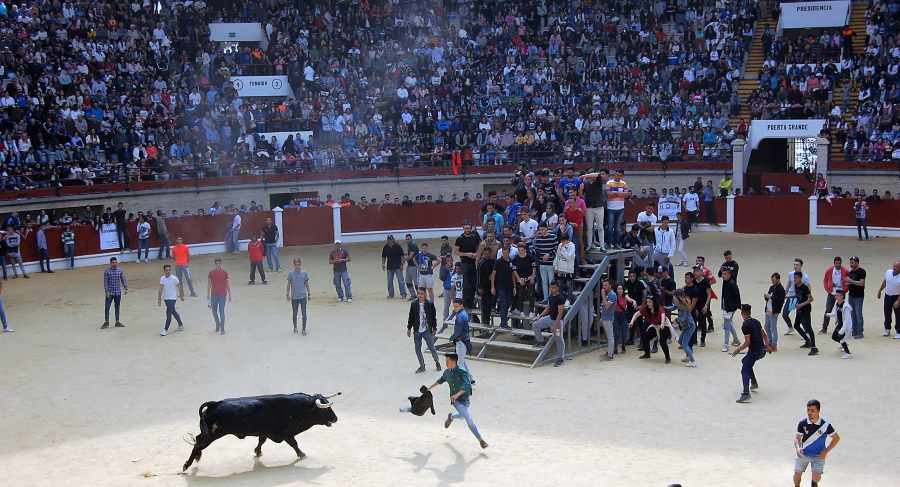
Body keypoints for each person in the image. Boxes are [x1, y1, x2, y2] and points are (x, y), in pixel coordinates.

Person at [426, 353, 488, 449]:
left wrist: (457, 394)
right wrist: (429, 388)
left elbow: (466, 385)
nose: (446, 363)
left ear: (454, 361)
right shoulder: (447, 372)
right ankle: (481, 440)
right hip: (455, 400)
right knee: (468, 418)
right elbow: (440, 380)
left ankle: (451, 417)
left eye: (448, 361)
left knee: (463, 416)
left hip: (464, 399)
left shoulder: (462, 371)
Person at [794, 399, 841, 487]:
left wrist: (825, 451)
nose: (809, 413)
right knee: (797, 474)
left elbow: (836, 438)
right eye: (808, 410)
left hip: (818, 456)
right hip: (803, 453)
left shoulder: (825, 425)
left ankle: (814, 483)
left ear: (818, 411)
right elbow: (797, 438)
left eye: (812, 411)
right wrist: (798, 448)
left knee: (816, 478)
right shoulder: (802, 423)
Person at [732, 304, 772, 403]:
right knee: (745, 361)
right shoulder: (756, 321)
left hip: (754, 352)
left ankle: (746, 394)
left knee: (744, 369)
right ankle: (754, 383)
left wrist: (737, 350)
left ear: (742, 314)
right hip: (762, 351)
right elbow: (765, 335)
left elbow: (747, 342)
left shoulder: (745, 325)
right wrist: (767, 346)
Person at [532, 281, 567, 367]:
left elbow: (560, 313)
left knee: (559, 339)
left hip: (558, 321)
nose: (551, 289)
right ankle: (541, 341)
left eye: (553, 287)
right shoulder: (551, 296)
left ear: (557, 288)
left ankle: (560, 358)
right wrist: (540, 316)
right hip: (550, 318)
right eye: (550, 287)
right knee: (535, 325)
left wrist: (555, 325)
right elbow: (548, 308)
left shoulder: (560, 298)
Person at [631, 296, 673, 363]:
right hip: (655, 326)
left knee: (662, 341)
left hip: (664, 326)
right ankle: (647, 354)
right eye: (647, 302)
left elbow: (663, 315)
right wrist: (632, 322)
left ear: (654, 302)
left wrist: (662, 323)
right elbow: (637, 314)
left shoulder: (659, 308)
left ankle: (668, 358)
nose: (648, 303)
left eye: (650, 302)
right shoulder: (646, 308)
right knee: (645, 337)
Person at [408, 288, 441, 373]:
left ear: (425, 295)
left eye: (422, 294)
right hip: (417, 331)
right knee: (417, 350)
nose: (420, 295)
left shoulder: (429, 304)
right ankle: (422, 366)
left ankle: (437, 362)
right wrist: (409, 328)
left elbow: (433, 317)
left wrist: (434, 328)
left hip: (427, 330)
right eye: (418, 293)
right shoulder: (414, 304)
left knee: (432, 348)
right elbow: (411, 316)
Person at [454, 223, 481, 309]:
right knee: (466, 284)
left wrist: (476, 254)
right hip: (465, 263)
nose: (467, 230)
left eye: (469, 228)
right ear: (463, 228)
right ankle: (466, 303)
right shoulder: (459, 239)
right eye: (466, 228)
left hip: (474, 262)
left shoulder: (475, 237)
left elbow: (480, 247)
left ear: (471, 228)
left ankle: (472, 303)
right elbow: (456, 252)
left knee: (474, 284)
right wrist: (467, 254)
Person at [820, 256, 848, 335]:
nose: (838, 265)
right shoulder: (829, 270)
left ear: (841, 263)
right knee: (828, 310)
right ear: (834, 263)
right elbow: (825, 280)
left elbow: (848, 281)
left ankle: (841, 328)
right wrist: (828, 290)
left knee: (841, 312)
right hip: (832, 293)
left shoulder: (845, 271)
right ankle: (824, 328)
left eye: (839, 263)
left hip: (841, 294)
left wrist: (845, 290)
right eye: (836, 263)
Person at [783, 259, 811, 336]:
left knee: (801, 316)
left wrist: (806, 298)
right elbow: (788, 284)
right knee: (785, 314)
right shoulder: (790, 274)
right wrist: (785, 293)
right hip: (791, 297)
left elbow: (808, 287)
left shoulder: (805, 276)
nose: (795, 266)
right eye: (794, 264)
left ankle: (807, 332)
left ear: (801, 266)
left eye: (797, 265)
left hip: (799, 298)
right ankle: (790, 327)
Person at [793, 272, 818, 355]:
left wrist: (801, 305)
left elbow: (811, 299)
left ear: (800, 278)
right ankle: (808, 341)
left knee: (808, 328)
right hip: (799, 310)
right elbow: (798, 296)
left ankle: (814, 347)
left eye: (796, 278)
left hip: (806, 310)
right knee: (796, 325)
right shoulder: (796, 286)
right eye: (794, 278)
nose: (795, 280)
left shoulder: (804, 287)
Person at [491, 246, 516, 329]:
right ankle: (503, 323)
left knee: (508, 303)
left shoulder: (511, 262)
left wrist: (514, 287)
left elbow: (513, 275)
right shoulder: (498, 262)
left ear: (509, 252)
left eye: (506, 252)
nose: (505, 254)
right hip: (501, 286)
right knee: (504, 304)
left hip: (509, 286)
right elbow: (493, 275)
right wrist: (493, 287)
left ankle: (503, 319)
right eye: (503, 253)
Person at [448, 299, 473, 379]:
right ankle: (470, 379)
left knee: (460, 363)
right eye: (454, 307)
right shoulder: (462, 313)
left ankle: (466, 380)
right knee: (461, 361)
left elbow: (458, 331)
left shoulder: (460, 316)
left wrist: (452, 337)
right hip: (463, 340)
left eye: (456, 306)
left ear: (461, 306)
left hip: (461, 341)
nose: (455, 308)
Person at [286, 258, 311, 335]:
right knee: (295, 313)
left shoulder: (304, 273)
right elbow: (288, 284)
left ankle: (303, 329)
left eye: (298, 264)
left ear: (300, 264)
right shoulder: (290, 274)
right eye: (296, 264)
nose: (297, 266)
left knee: (304, 313)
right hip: (294, 297)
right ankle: (295, 327)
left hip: (303, 296)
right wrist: (287, 294)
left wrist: (309, 293)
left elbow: (306, 284)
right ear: (294, 265)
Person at [605, 169, 630, 248]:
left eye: (619, 175)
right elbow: (608, 194)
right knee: (609, 227)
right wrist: (621, 193)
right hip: (610, 208)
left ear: (622, 176)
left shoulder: (624, 183)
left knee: (617, 228)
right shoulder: (609, 183)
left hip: (620, 208)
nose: (617, 176)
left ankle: (616, 244)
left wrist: (615, 193)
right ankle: (608, 243)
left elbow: (627, 194)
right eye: (616, 175)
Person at [158, 264, 185, 336]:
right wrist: (159, 299)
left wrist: (182, 296)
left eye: (169, 270)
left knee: (168, 313)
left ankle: (165, 329)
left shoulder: (174, 278)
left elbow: (179, 287)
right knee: (173, 311)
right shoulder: (162, 278)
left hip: (173, 298)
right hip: (166, 298)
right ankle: (180, 325)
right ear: (164, 271)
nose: (168, 271)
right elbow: (160, 289)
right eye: (166, 270)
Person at [875, 261, 900, 338]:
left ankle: (898, 331)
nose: (894, 268)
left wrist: (898, 301)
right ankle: (887, 328)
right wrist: (880, 290)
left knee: (898, 315)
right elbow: (885, 282)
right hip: (887, 296)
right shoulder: (888, 272)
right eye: (894, 266)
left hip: (897, 297)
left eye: (896, 267)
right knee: (887, 313)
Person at [101, 257, 127, 329]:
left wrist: (126, 287)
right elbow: (105, 282)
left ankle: (117, 321)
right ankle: (106, 322)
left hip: (117, 292)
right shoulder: (107, 271)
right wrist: (106, 291)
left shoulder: (120, 270)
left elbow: (123, 279)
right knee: (107, 307)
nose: (114, 264)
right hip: (110, 292)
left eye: (115, 262)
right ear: (110, 263)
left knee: (117, 307)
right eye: (113, 262)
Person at [673, 289, 697, 367]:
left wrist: (674, 321)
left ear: (678, 298)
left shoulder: (684, 308)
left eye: (674, 299)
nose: (673, 300)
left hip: (690, 327)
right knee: (680, 341)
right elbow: (674, 307)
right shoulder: (679, 305)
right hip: (686, 327)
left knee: (684, 344)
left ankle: (693, 361)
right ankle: (687, 356)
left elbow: (682, 319)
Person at [720, 268, 742, 352]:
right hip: (726, 307)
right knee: (728, 324)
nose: (723, 276)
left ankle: (725, 345)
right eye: (722, 274)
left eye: (725, 274)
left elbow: (737, 295)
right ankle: (736, 340)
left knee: (726, 326)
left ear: (729, 274)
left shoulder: (732, 284)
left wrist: (737, 307)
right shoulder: (725, 282)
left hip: (730, 308)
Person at [207, 258, 231, 335]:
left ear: (221, 264)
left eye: (219, 263)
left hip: (222, 295)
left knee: (221, 311)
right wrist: (208, 294)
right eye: (216, 264)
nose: (218, 265)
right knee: (214, 311)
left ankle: (222, 328)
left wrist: (229, 294)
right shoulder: (211, 273)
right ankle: (218, 325)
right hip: (214, 294)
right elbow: (209, 284)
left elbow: (227, 283)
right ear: (215, 264)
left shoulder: (224, 272)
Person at [764, 273, 786, 351]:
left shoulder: (781, 289)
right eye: (772, 280)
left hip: (774, 311)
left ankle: (774, 345)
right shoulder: (772, 287)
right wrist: (766, 297)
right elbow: (769, 297)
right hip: (768, 310)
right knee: (766, 326)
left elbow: (780, 301)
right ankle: (769, 342)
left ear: (778, 279)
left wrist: (770, 297)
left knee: (773, 328)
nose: (772, 281)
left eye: (774, 280)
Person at [829, 290, 853, 359]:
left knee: (841, 339)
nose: (835, 296)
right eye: (835, 295)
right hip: (839, 324)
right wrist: (829, 315)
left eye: (837, 295)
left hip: (845, 326)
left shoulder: (846, 307)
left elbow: (846, 321)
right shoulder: (837, 303)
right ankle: (844, 344)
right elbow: (835, 312)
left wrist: (842, 331)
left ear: (842, 296)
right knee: (834, 336)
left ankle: (848, 353)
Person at [846, 256, 866, 338]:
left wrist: (851, 281)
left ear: (857, 263)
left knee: (858, 314)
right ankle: (854, 331)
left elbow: (862, 283)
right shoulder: (850, 272)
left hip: (859, 296)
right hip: (851, 295)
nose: (851, 264)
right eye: (850, 262)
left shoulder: (862, 271)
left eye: (853, 262)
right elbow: (850, 283)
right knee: (852, 314)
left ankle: (860, 332)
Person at [598, 280, 616, 360]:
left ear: (610, 285)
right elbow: (603, 307)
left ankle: (610, 354)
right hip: (605, 317)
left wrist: (602, 295)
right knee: (608, 336)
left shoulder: (612, 295)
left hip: (609, 318)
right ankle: (609, 352)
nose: (604, 287)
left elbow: (607, 306)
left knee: (610, 336)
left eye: (605, 285)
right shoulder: (607, 294)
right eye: (603, 285)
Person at [404, 234, 419, 300]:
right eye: (406, 239)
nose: (407, 240)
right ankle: (413, 295)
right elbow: (410, 254)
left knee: (416, 282)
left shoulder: (412, 245)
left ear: (411, 239)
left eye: (408, 239)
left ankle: (419, 296)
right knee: (408, 281)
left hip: (414, 266)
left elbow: (410, 256)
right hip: (410, 265)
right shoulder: (410, 245)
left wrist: (403, 259)